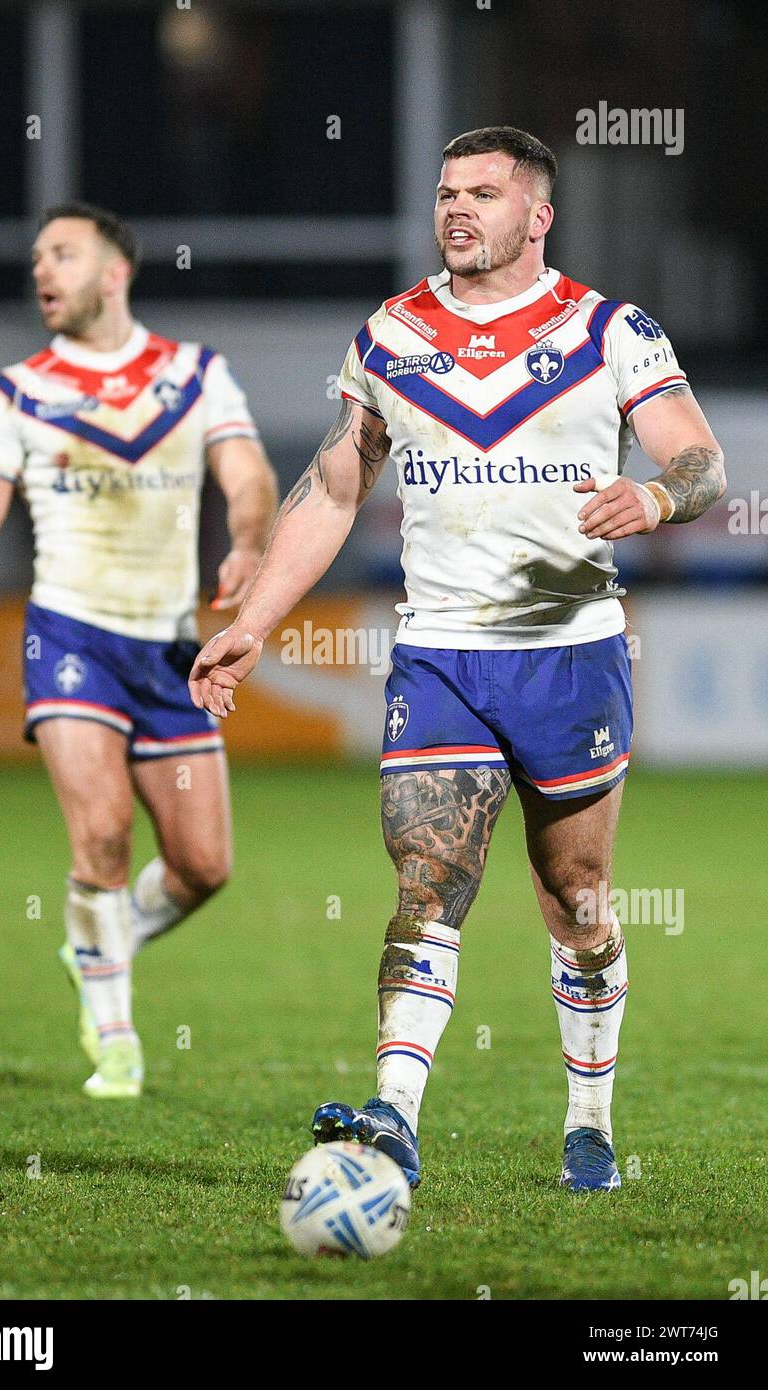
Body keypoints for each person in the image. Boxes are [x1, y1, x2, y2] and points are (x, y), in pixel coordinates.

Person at [188, 126, 726, 1190]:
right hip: (438, 653)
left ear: (538, 215)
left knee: (574, 897)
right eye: (444, 192)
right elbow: (334, 489)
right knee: (427, 878)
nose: (456, 209)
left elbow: (701, 461)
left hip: (569, 656)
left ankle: (587, 1123)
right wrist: (255, 614)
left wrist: (660, 495)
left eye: (482, 192)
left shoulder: (608, 331)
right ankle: (392, 1116)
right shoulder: (390, 335)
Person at [0, 202, 278, 1099]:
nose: (43, 271)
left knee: (205, 866)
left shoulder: (197, 375)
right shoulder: (15, 392)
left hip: (168, 646)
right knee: (105, 831)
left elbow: (248, 478)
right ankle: (115, 1036)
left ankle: (97, 945)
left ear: (115, 272)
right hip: (69, 633)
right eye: (37, 257)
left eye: (64, 255)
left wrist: (248, 538)